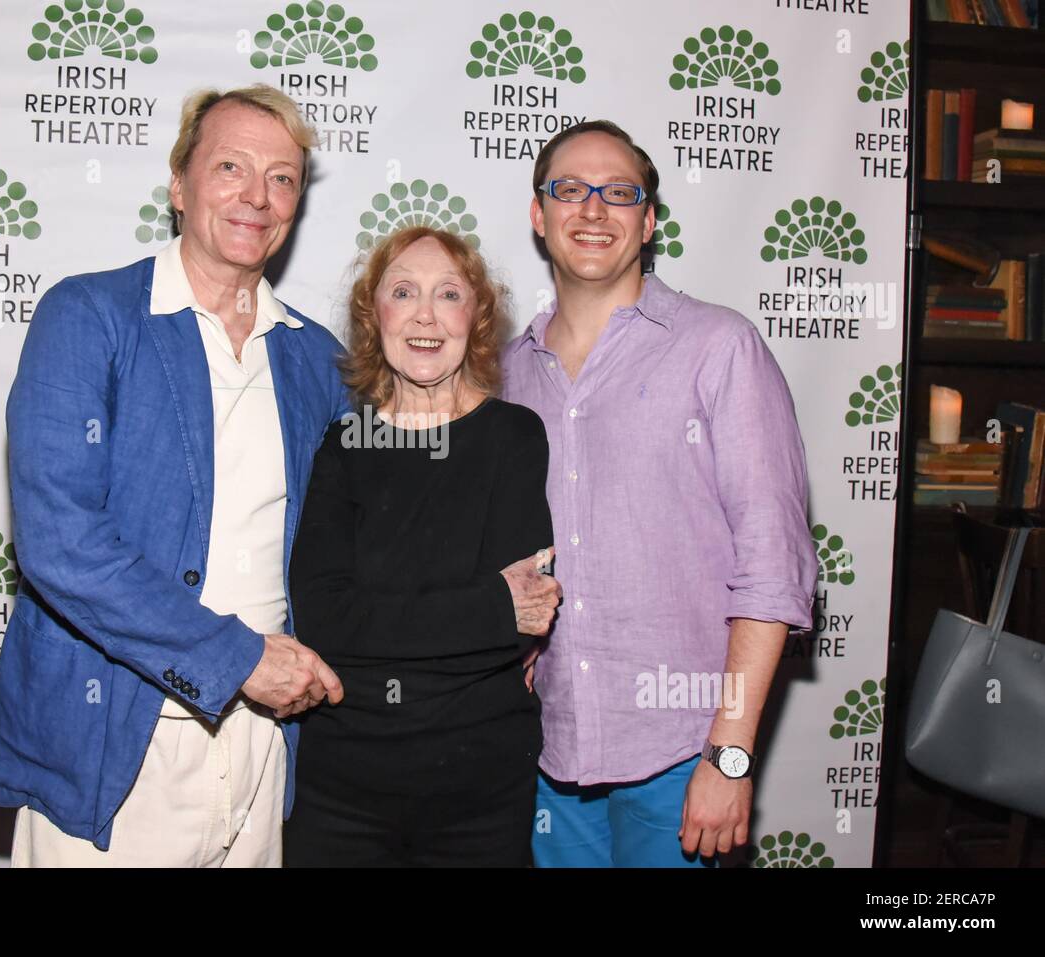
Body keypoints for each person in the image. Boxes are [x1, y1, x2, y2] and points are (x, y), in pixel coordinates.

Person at [0, 84, 350, 867]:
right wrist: (237, 658)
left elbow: (372, 523)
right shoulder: (89, 316)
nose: (258, 196)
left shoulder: (315, 356)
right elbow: (61, 543)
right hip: (114, 739)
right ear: (179, 186)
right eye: (231, 168)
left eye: (282, 178)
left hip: (265, 741)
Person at [502, 121, 818, 867]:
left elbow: (772, 569)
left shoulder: (721, 347)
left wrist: (730, 755)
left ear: (647, 222)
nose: (592, 209)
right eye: (568, 189)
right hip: (546, 752)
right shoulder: (508, 373)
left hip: (683, 756)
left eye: (619, 193)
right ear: (537, 214)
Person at [284, 226, 561, 867]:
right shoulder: (343, 445)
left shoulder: (516, 438)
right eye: (403, 291)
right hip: (342, 790)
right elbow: (326, 619)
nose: (425, 315)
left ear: (477, 317)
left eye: (449, 294)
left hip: (479, 790)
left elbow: (526, 621)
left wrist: (398, 622)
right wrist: (490, 608)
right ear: (372, 314)